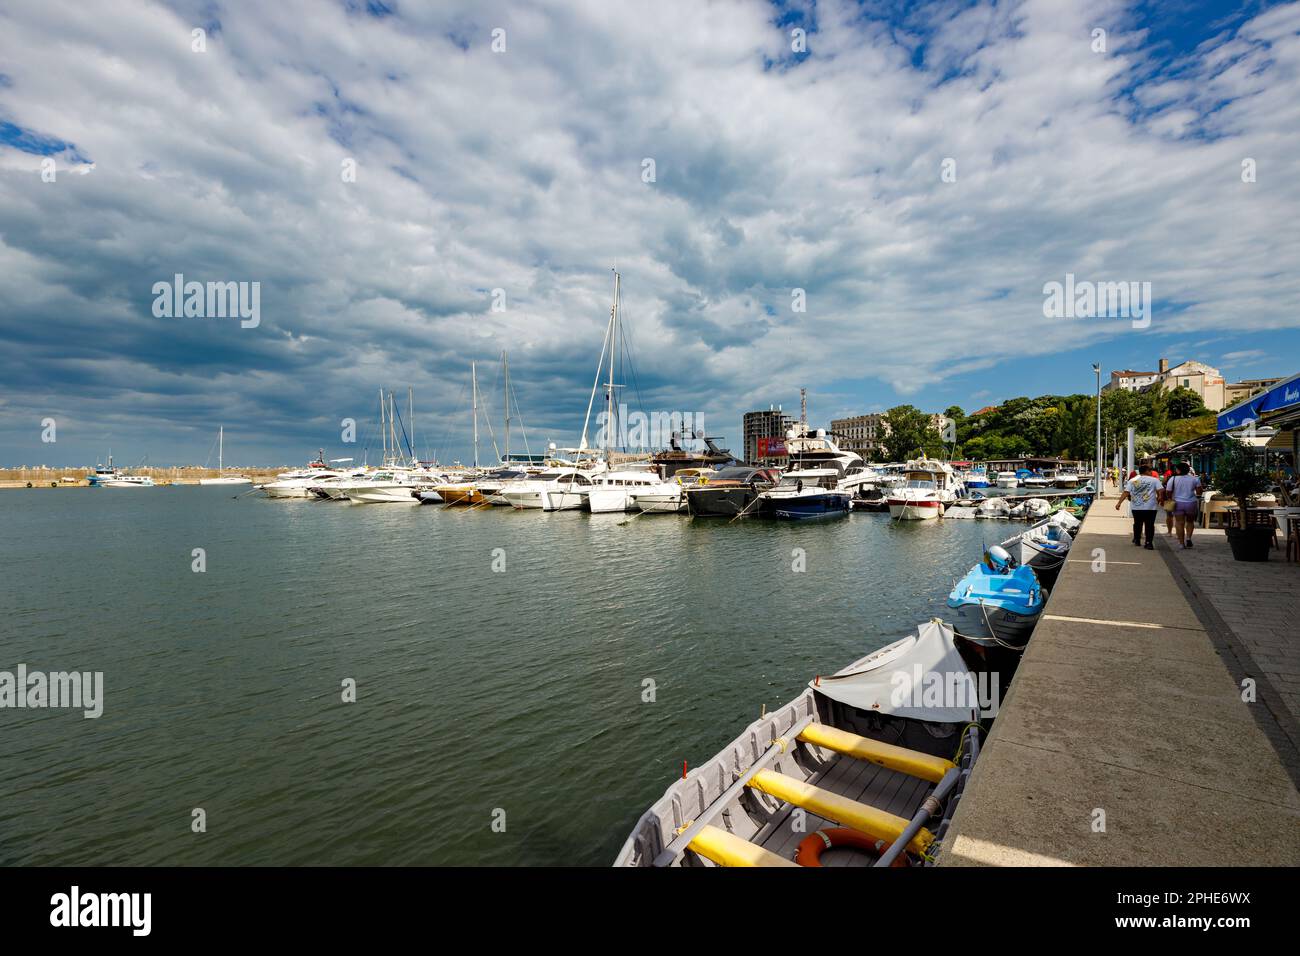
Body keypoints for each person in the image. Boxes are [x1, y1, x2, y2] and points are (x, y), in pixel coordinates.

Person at [1116, 467, 1162, 549]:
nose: (1151, 472)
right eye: (1150, 470)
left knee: (1137, 523)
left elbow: (1126, 492)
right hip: (1151, 507)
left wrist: (1119, 503)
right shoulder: (1154, 480)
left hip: (1136, 506)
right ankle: (1149, 543)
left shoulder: (1132, 480)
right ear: (1147, 471)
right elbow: (1160, 490)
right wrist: (1160, 497)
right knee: (1150, 525)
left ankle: (1137, 540)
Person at [1165, 462, 1203, 549]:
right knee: (1190, 522)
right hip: (1191, 503)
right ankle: (1188, 538)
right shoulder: (1195, 479)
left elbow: (1168, 491)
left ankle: (1181, 544)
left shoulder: (1173, 479)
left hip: (1178, 503)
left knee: (1179, 523)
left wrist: (1170, 498)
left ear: (1178, 470)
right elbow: (1199, 492)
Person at [1162, 465, 1175, 535]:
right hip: (1182, 500)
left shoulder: (1168, 473)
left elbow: (1163, 483)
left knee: (1169, 516)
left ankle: (1169, 531)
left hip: (1169, 499)